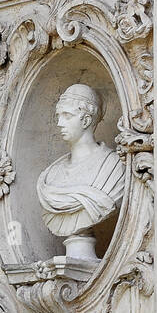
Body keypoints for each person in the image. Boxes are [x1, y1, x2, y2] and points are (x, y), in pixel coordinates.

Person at [37, 83, 125, 263]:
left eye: (67, 116)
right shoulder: (50, 176)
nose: (59, 123)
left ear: (85, 120)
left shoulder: (114, 168)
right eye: (58, 116)